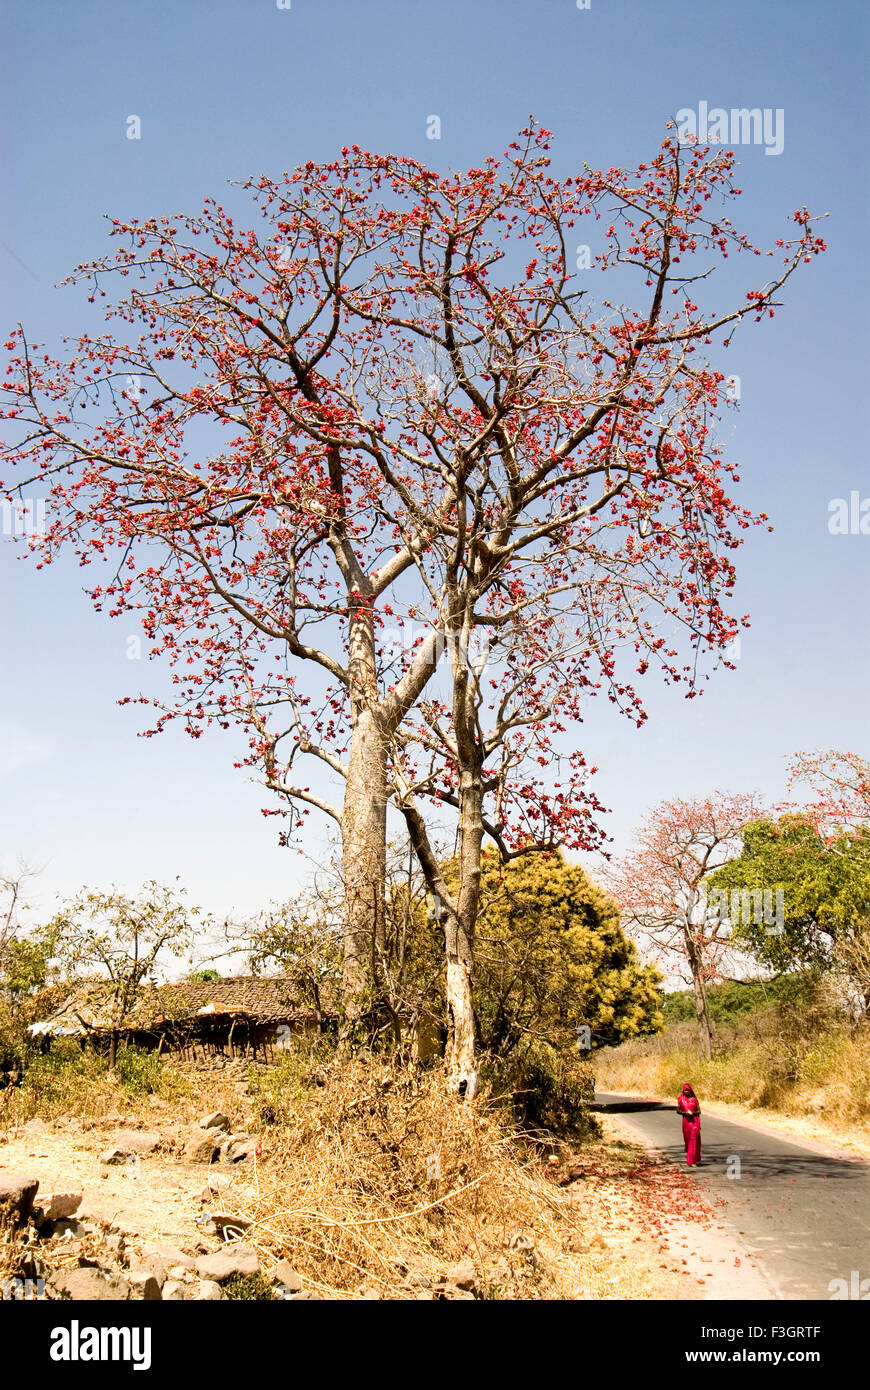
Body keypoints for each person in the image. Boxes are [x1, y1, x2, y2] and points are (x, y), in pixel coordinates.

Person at [677, 1083, 702, 1166]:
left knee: (693, 1139)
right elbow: (678, 1110)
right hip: (686, 1122)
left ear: (690, 1091)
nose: (687, 1092)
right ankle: (693, 1156)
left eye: (688, 1090)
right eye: (685, 1090)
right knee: (688, 1140)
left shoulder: (694, 1100)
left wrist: (693, 1113)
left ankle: (691, 1161)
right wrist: (685, 1113)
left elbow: (699, 1111)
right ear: (683, 1091)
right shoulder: (680, 1099)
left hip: (695, 1121)